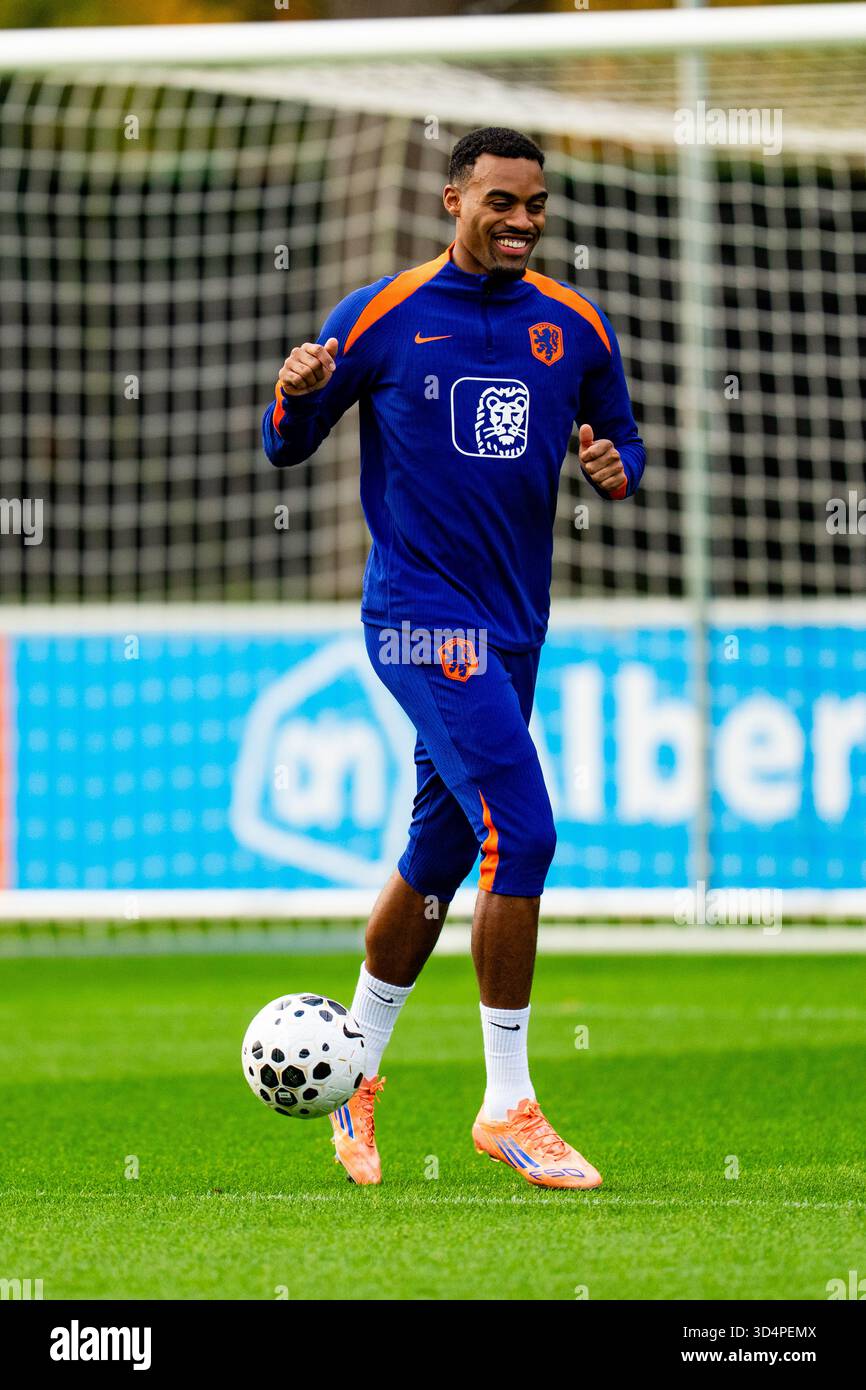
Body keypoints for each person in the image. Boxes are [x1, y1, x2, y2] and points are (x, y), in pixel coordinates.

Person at [263, 126, 645, 1188]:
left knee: (438, 852)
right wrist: (294, 393)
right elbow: (286, 443)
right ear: (450, 200)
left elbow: (621, 440)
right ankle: (508, 1102)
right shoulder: (382, 316)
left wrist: (616, 465)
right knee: (522, 830)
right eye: (500, 202)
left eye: (535, 205)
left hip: (515, 623)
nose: (521, 220)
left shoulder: (572, 327)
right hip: (418, 619)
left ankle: (356, 1078)